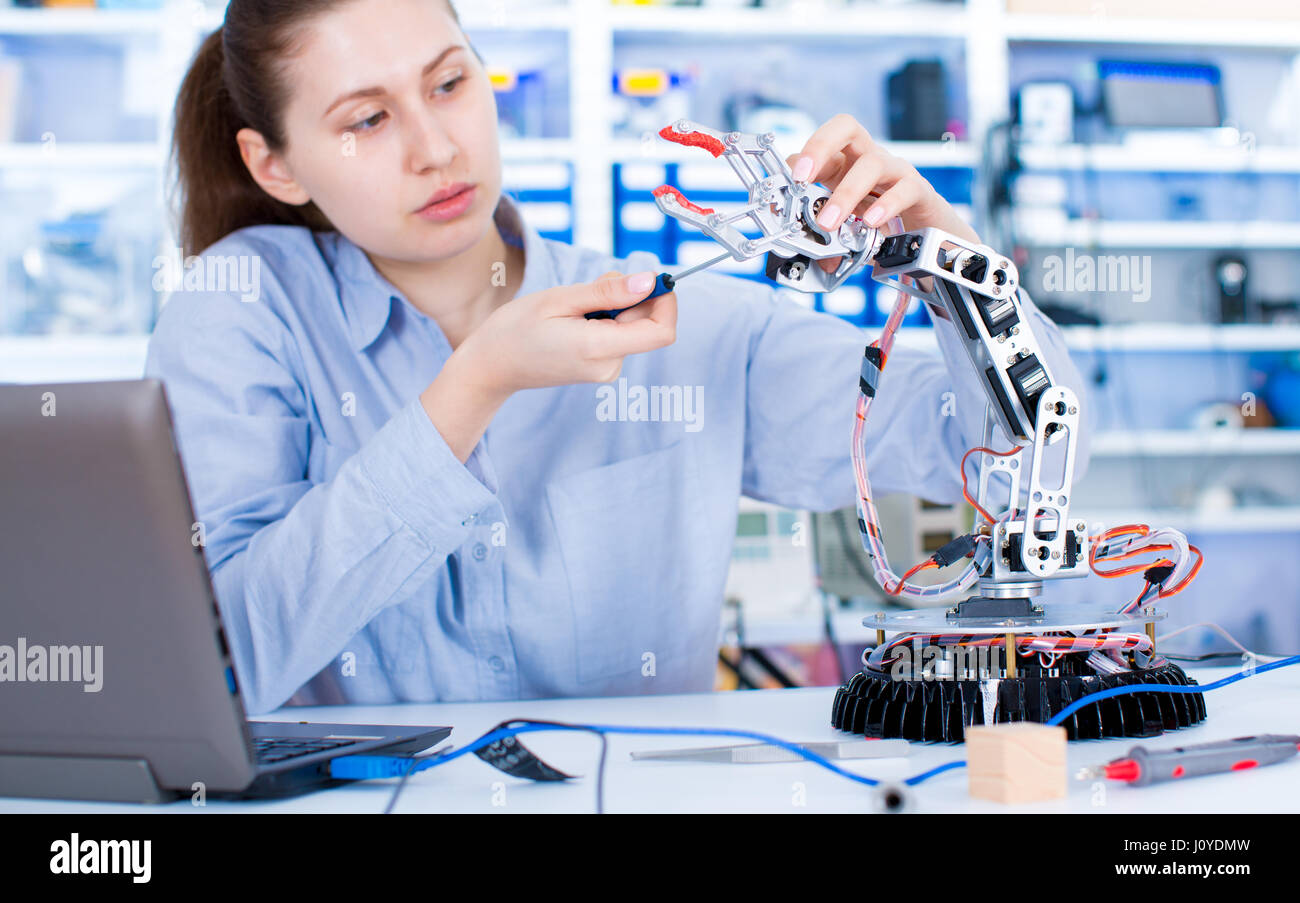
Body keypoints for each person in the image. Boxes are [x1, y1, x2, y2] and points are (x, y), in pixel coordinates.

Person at [147, 0, 1089, 715]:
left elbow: (1022, 472)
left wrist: (962, 270)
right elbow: (224, 667)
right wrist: (475, 386)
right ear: (275, 164)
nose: (436, 148)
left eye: (448, 84)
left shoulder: (685, 322)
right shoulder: (243, 308)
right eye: (367, 119)